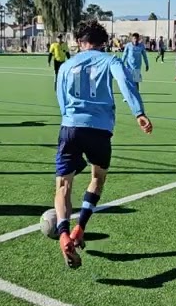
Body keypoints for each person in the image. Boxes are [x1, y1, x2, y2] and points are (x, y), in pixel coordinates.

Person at [53, 22, 153, 268]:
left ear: (80, 41)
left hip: (70, 127)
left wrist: (70, 118)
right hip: (99, 130)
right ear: (103, 42)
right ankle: (81, 227)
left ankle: (63, 232)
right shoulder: (111, 61)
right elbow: (126, 85)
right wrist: (139, 113)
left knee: (63, 184)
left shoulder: (66, 65)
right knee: (97, 178)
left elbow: (61, 96)